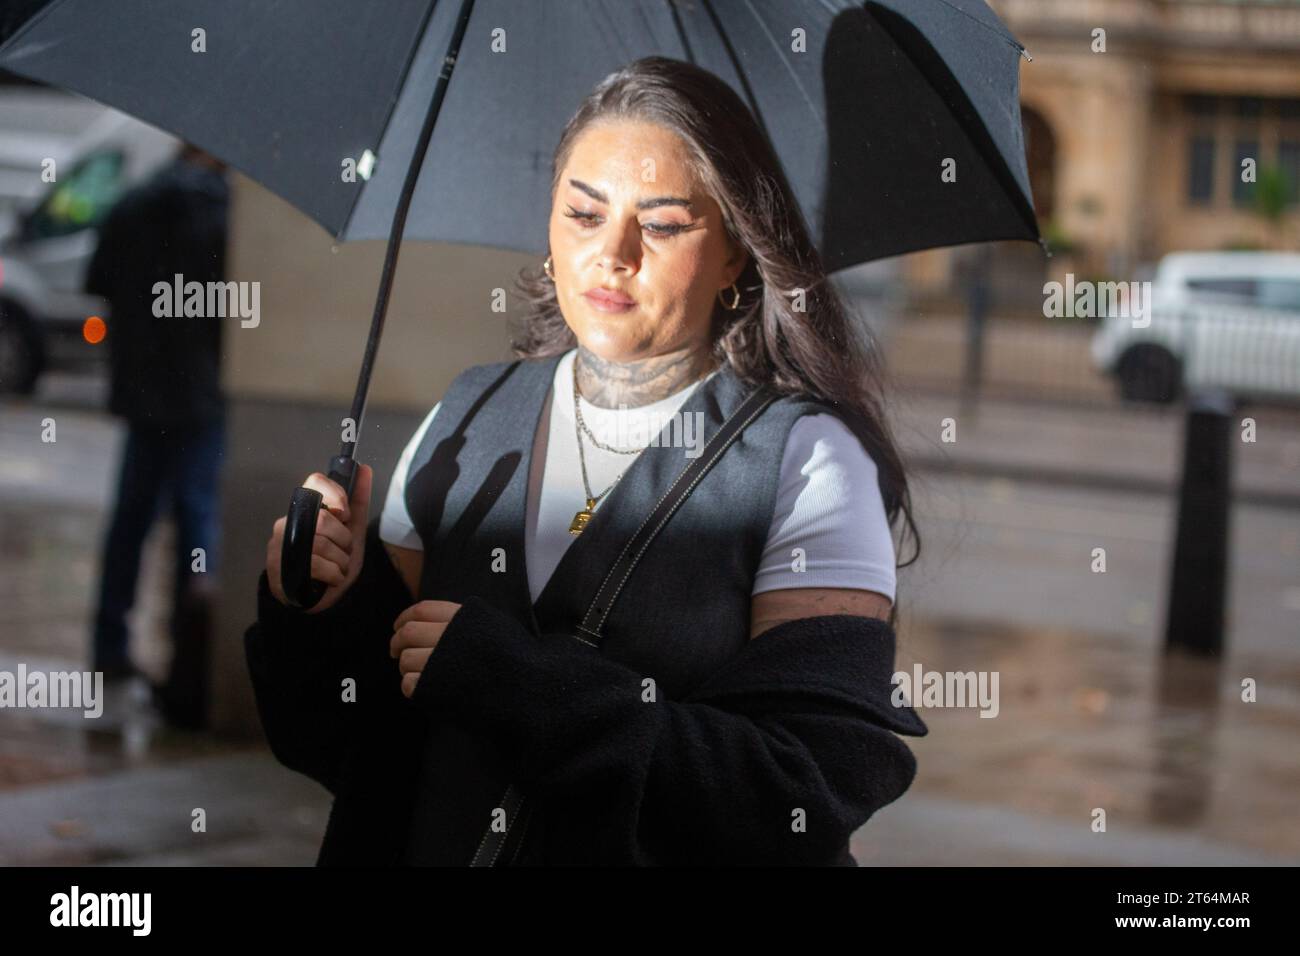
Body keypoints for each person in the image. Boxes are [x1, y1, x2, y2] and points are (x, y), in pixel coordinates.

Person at [246, 57, 926, 866]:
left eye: (665, 225)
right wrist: (320, 607)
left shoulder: (807, 461)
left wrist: (532, 692)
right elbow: (354, 747)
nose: (614, 253)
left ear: (737, 255)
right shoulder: (466, 416)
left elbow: (805, 796)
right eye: (583, 213)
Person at [86, 142, 229, 729]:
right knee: (198, 526)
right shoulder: (226, 217)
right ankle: (186, 664)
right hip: (200, 397)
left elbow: (98, 281)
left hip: (143, 396)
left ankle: (108, 646)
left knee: (130, 522)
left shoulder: (132, 204)